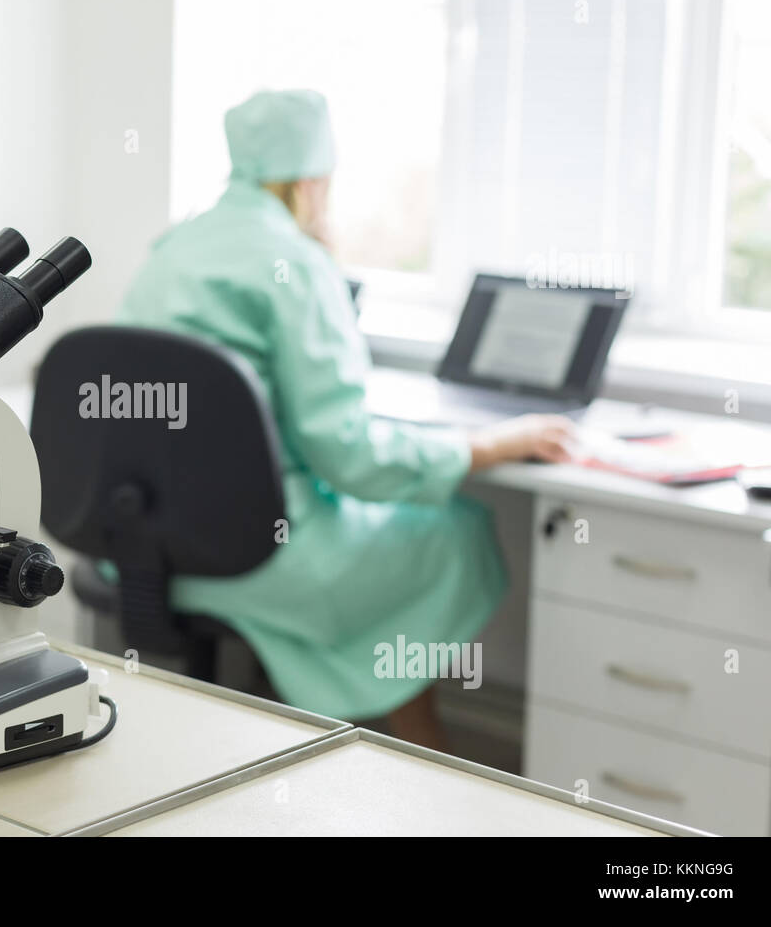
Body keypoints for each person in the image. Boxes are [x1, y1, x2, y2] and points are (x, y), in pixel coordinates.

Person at [117, 89, 573, 749]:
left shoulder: (177, 246)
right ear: (310, 184)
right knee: (455, 529)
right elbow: (348, 455)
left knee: (401, 523)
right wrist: (485, 447)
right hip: (261, 555)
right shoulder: (295, 263)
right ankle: (421, 748)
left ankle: (308, 723)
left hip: (150, 544)